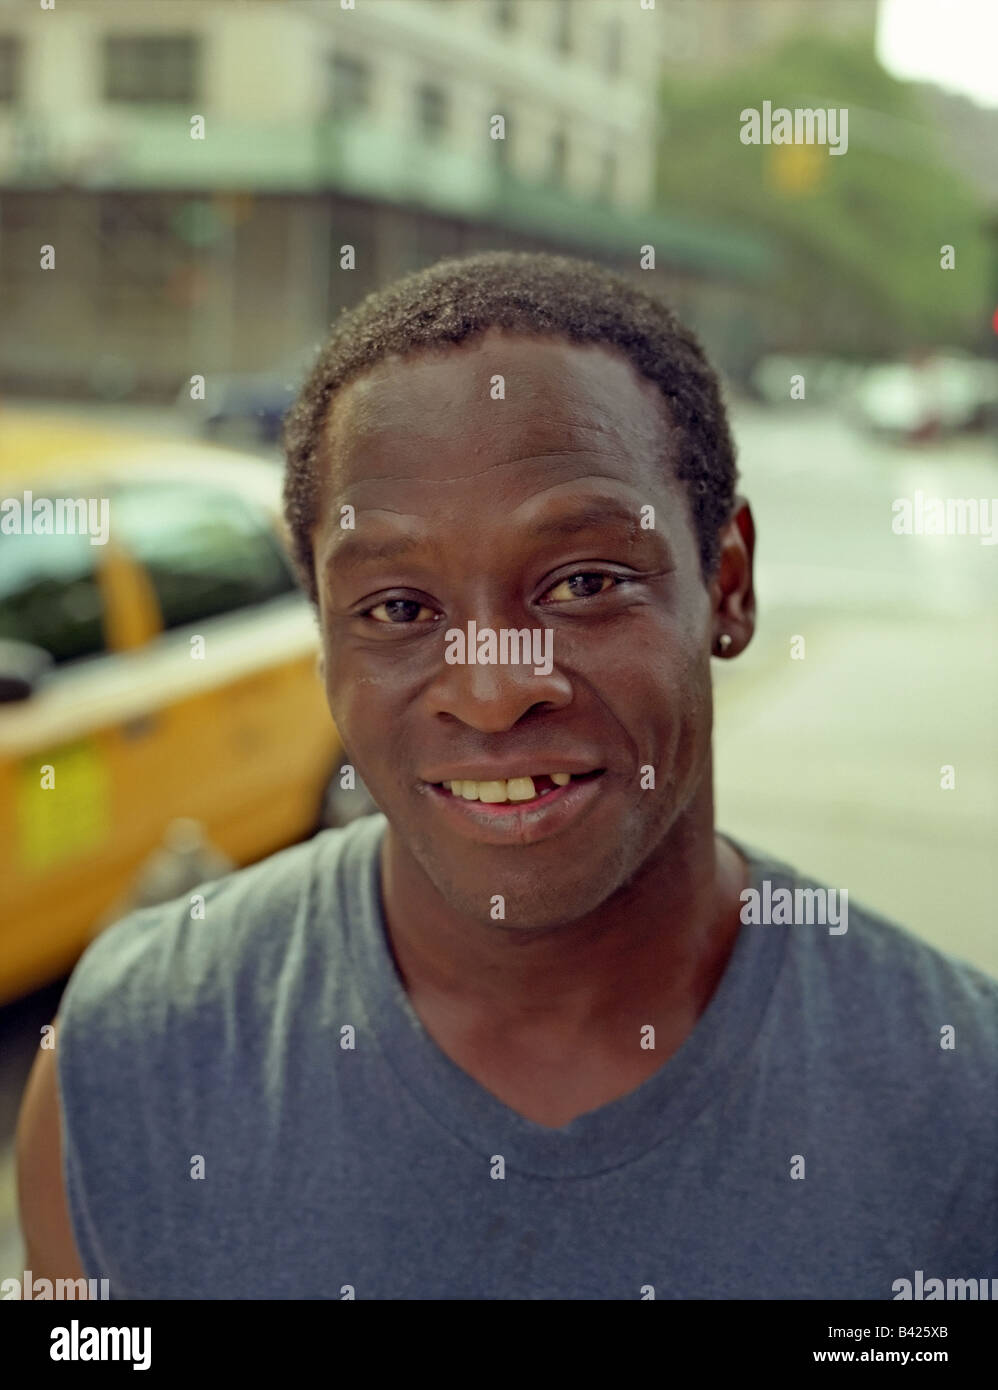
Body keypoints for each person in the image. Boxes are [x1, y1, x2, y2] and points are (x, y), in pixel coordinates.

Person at [17, 251, 997, 1300]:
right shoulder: (123, 1066)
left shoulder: (958, 1101)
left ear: (727, 584)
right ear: (324, 647)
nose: (490, 690)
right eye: (398, 608)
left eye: (582, 582)